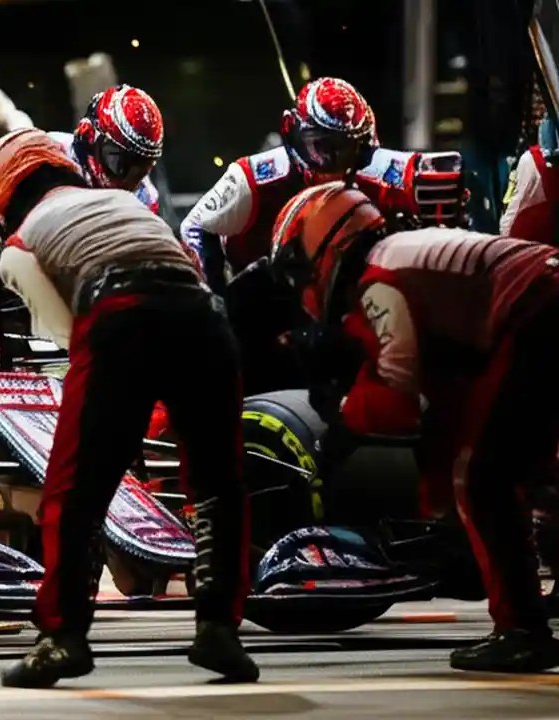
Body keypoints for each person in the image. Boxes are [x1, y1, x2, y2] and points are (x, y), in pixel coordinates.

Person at [0, 129, 257, 688]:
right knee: (218, 483)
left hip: (120, 315)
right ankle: (219, 630)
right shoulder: (122, 202)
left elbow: (64, 333)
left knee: (73, 490)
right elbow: (189, 272)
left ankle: (62, 637)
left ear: (6, 193)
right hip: (203, 318)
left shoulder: (21, 242)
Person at [268, 181, 559, 673]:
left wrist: (338, 424)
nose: (303, 290)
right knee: (529, 470)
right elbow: (449, 397)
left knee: (485, 476)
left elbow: (396, 392)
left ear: (323, 243)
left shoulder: (382, 277)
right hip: (541, 303)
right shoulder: (406, 258)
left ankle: (522, 629)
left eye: (299, 271)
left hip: (541, 310)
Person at [0, 85, 165, 368]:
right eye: (121, 163)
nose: (129, 180)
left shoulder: (143, 197)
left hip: (26, 263)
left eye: (142, 168)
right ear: (89, 137)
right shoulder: (41, 160)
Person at [181, 76, 462, 291]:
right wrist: (217, 291)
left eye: (346, 149)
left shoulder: (380, 169)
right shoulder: (254, 177)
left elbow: (438, 182)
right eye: (322, 147)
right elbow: (195, 227)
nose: (333, 161)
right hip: (262, 308)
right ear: (293, 131)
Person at [500, 117, 559, 245]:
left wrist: (503, 240)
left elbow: (516, 206)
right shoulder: (531, 160)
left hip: (528, 242)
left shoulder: (531, 161)